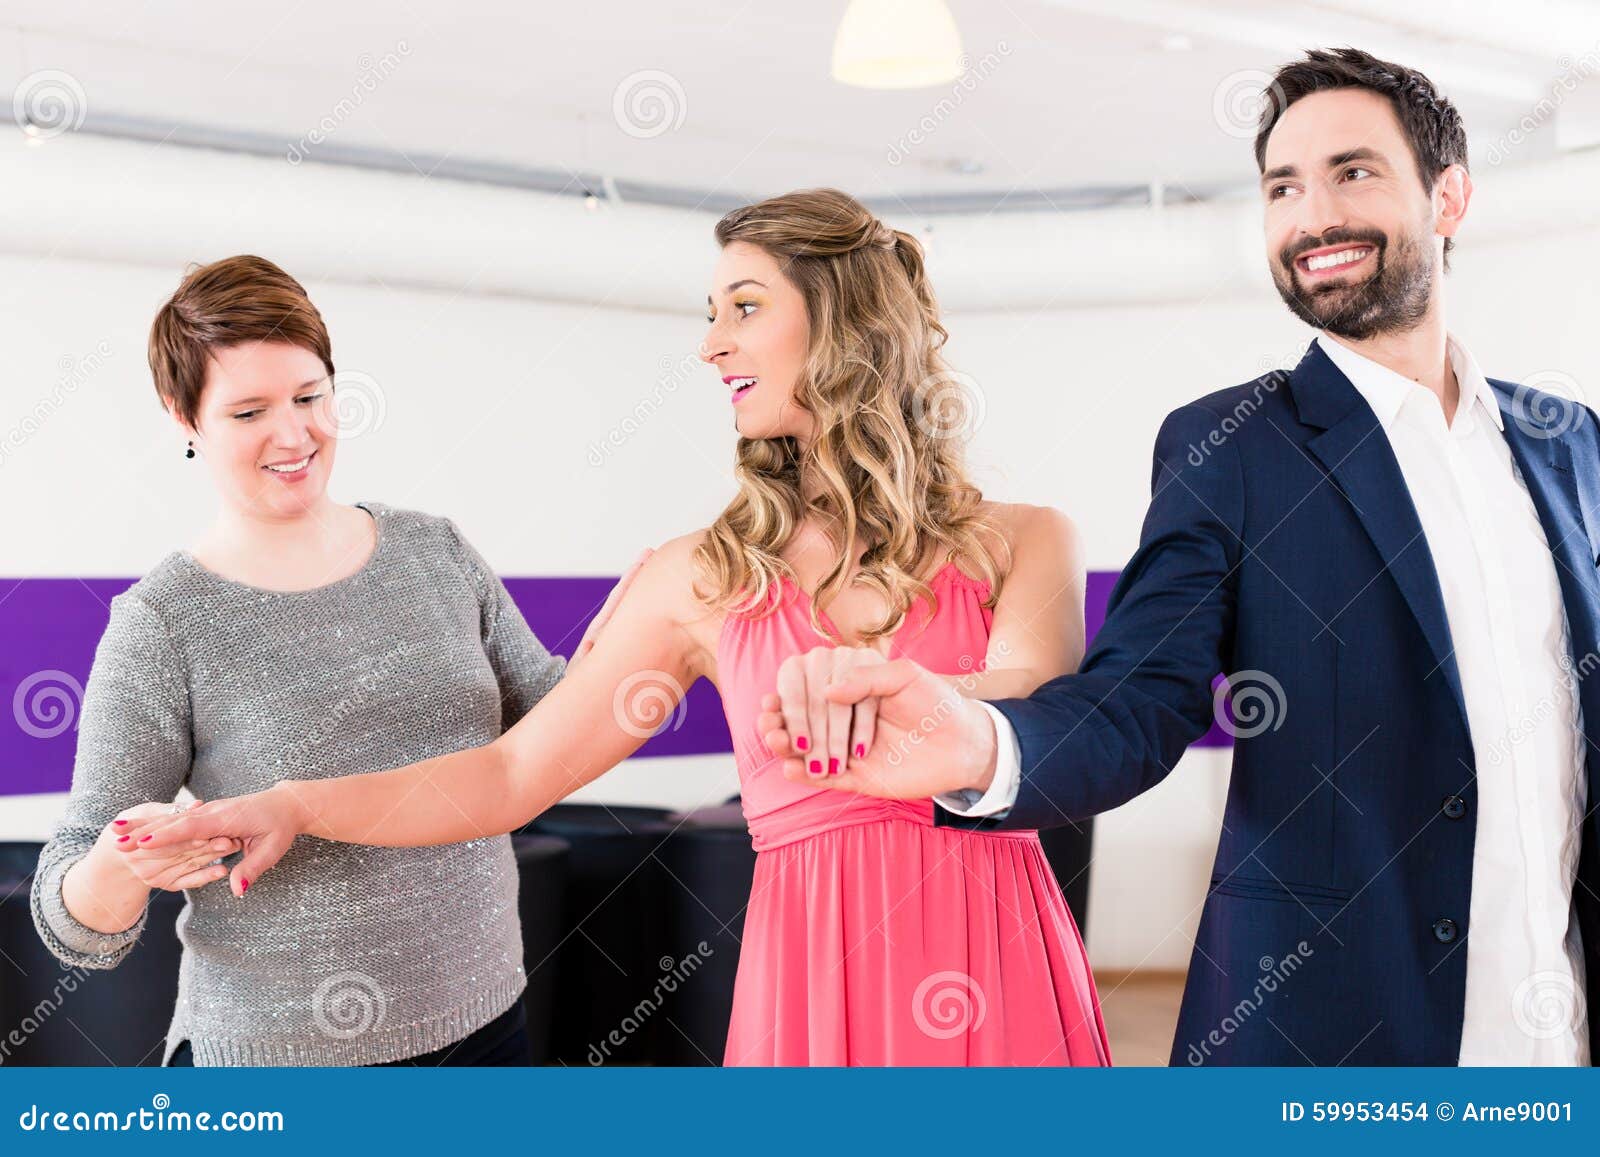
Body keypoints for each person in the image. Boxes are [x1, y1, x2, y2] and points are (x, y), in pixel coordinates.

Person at [116, 190, 1112, 1066]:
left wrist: (909, 695)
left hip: (998, 949)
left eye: (745, 309)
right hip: (811, 977)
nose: (710, 343)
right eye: (711, 315)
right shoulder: (699, 576)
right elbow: (511, 774)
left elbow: (1039, 708)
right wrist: (295, 801)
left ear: (847, 324)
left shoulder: (1024, 541)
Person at [760, 48, 1600, 1066]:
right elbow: (1140, 699)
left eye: (1353, 172)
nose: (1312, 215)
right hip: (1331, 1039)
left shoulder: (1568, 442)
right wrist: (980, 743)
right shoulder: (1236, 448)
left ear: (1449, 194)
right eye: (1281, 186)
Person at [31, 255, 628, 1067]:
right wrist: (120, 863)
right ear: (183, 418)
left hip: (487, 1023)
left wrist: (641, 641)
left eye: (310, 396)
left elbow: (551, 729)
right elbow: (70, 913)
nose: (294, 433)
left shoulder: (436, 552)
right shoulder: (163, 624)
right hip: (285, 1065)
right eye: (248, 411)